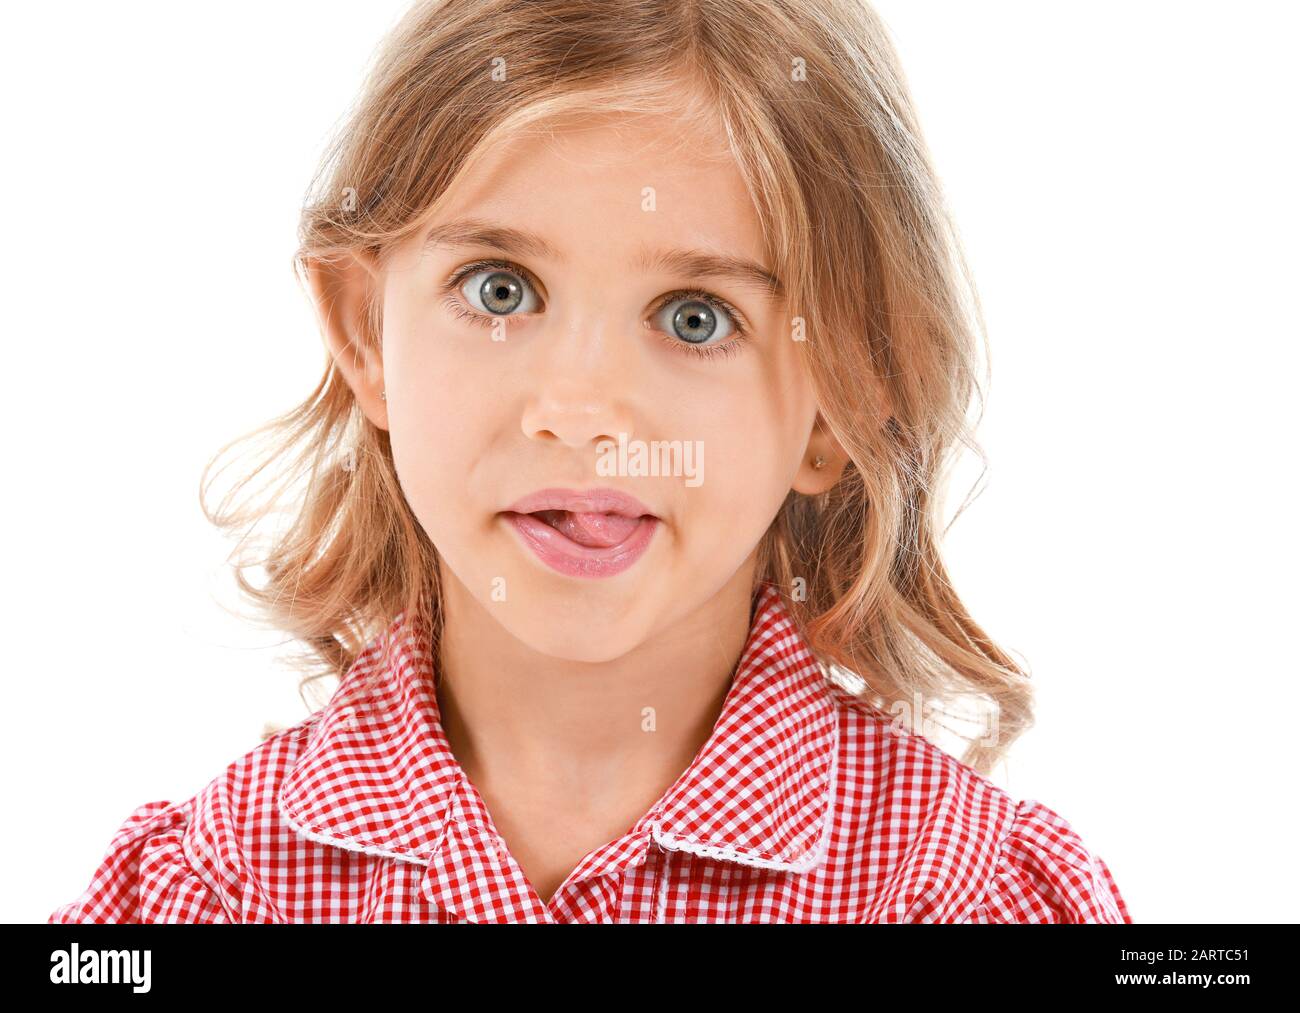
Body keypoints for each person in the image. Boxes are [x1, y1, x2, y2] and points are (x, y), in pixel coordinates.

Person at [49, 0, 1131, 923]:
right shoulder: (204, 892)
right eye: (500, 290)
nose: (579, 413)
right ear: (367, 330)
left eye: (696, 317)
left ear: (837, 402)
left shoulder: (964, 895)